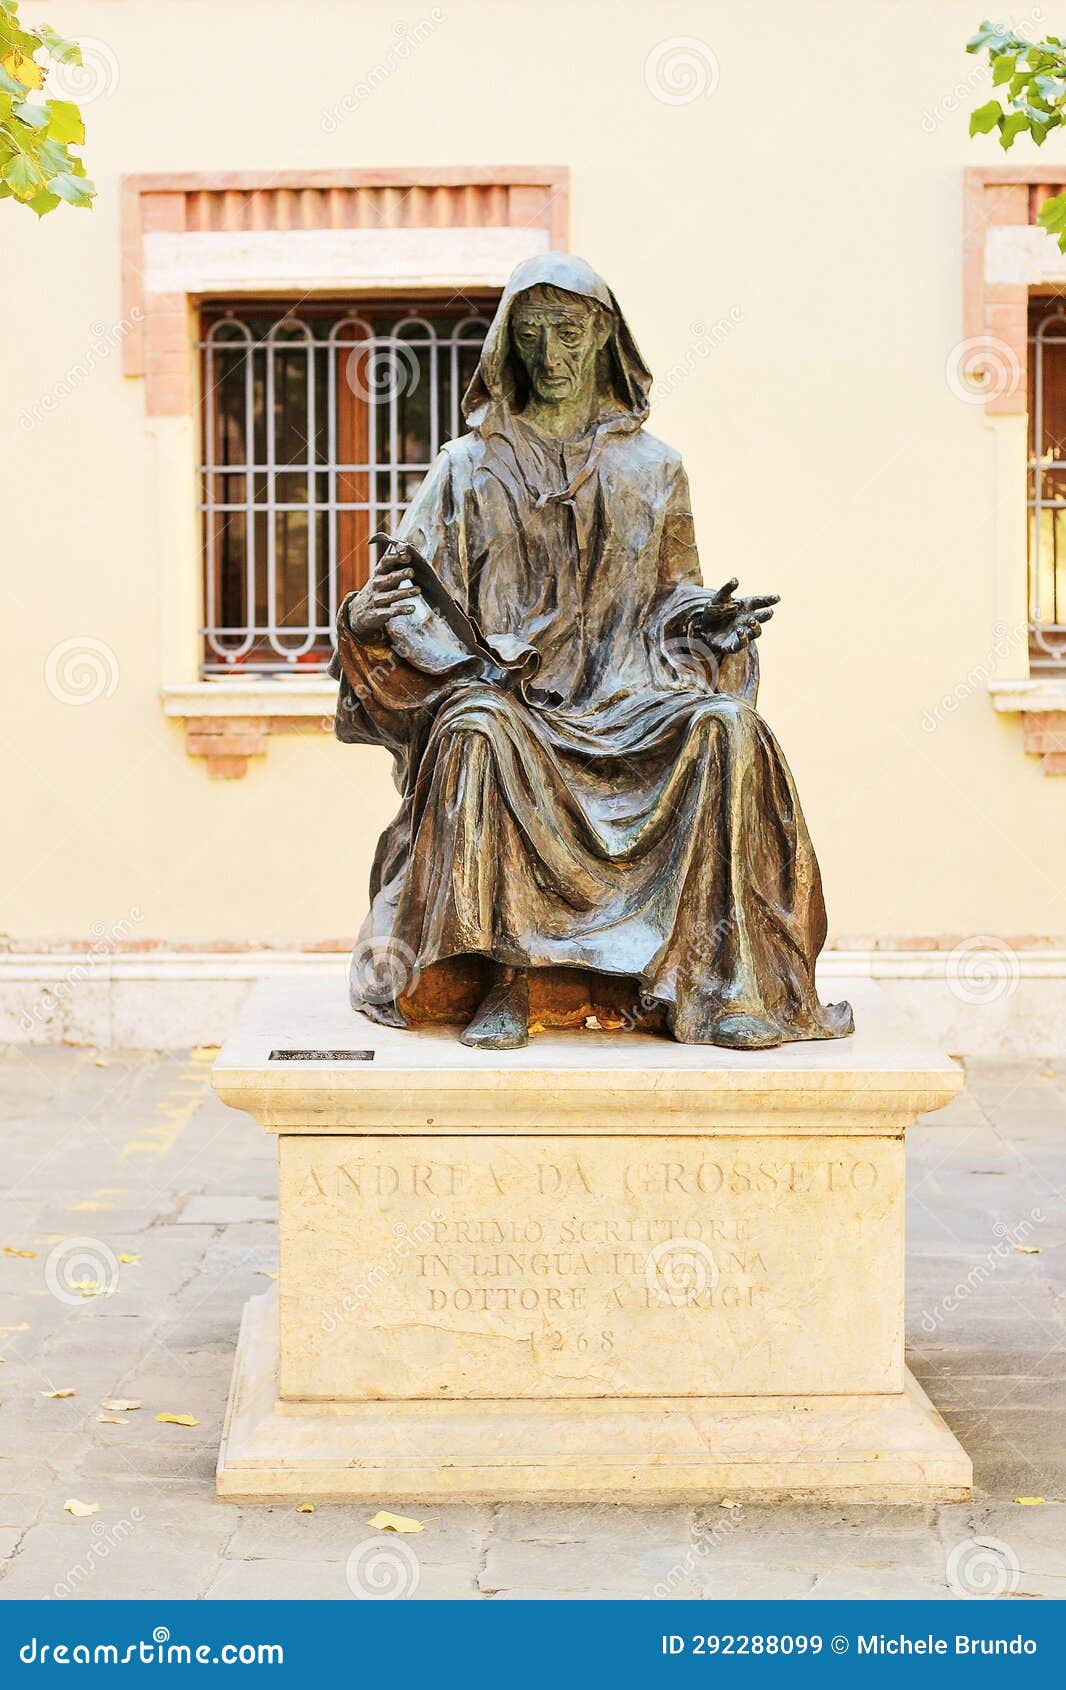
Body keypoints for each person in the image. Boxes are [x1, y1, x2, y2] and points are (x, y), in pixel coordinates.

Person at [332, 253, 852, 1052]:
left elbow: (674, 595)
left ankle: (727, 984)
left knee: (727, 730)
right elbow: (407, 597)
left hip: (629, 692)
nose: (552, 354)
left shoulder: (655, 470)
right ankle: (508, 976)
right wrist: (367, 618)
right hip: (506, 696)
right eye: (534, 332)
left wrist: (705, 626)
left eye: (570, 331)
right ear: (507, 343)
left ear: (604, 337)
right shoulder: (465, 468)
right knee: (478, 731)